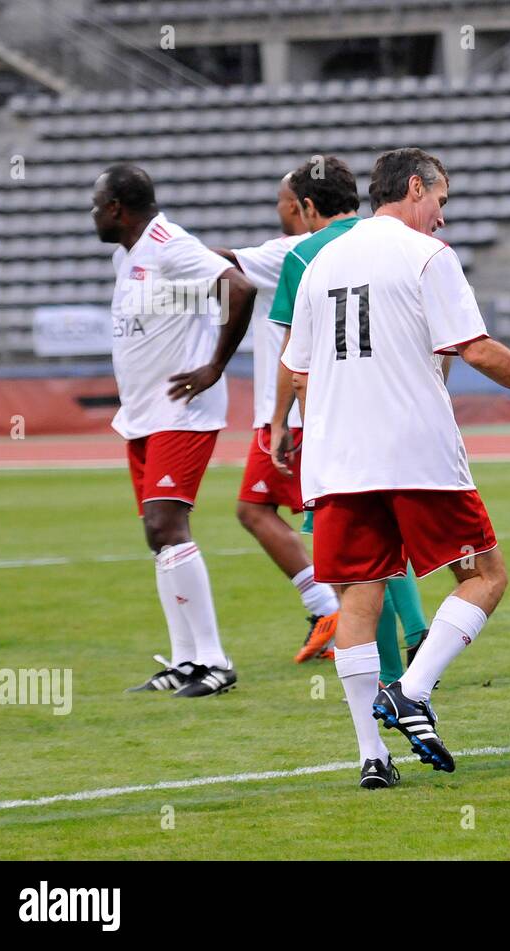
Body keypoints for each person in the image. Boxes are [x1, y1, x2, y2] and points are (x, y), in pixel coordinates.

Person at [281, 147, 510, 788]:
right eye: (441, 200)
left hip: (337, 457)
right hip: (414, 451)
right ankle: (411, 689)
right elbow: (477, 348)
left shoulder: (320, 261)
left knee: (358, 596)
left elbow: (298, 369)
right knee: (485, 575)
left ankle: (371, 758)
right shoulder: (427, 256)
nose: (442, 217)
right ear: (415, 187)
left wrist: (298, 434)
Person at [92, 163, 257, 696]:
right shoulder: (128, 255)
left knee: (167, 525)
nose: (93, 215)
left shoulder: (169, 244)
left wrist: (213, 367)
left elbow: (239, 286)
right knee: (156, 535)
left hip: (181, 413)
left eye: (97, 205)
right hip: (144, 413)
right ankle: (185, 661)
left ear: (117, 208)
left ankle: (215, 661)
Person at [266, 156, 431, 674]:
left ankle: (387, 678)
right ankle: (421, 631)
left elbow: (296, 356)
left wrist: (281, 423)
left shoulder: (305, 256)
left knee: (356, 558)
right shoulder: (393, 240)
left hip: (338, 425)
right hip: (398, 414)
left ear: (308, 206)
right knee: (388, 532)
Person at [213, 173, 341, 652]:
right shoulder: (345, 247)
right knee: (345, 517)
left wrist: (161, 242)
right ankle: (361, 621)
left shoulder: (290, 251)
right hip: (328, 404)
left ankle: (333, 613)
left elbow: (218, 263)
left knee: (256, 510)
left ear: (298, 205)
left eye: (280, 201)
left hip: (290, 411)